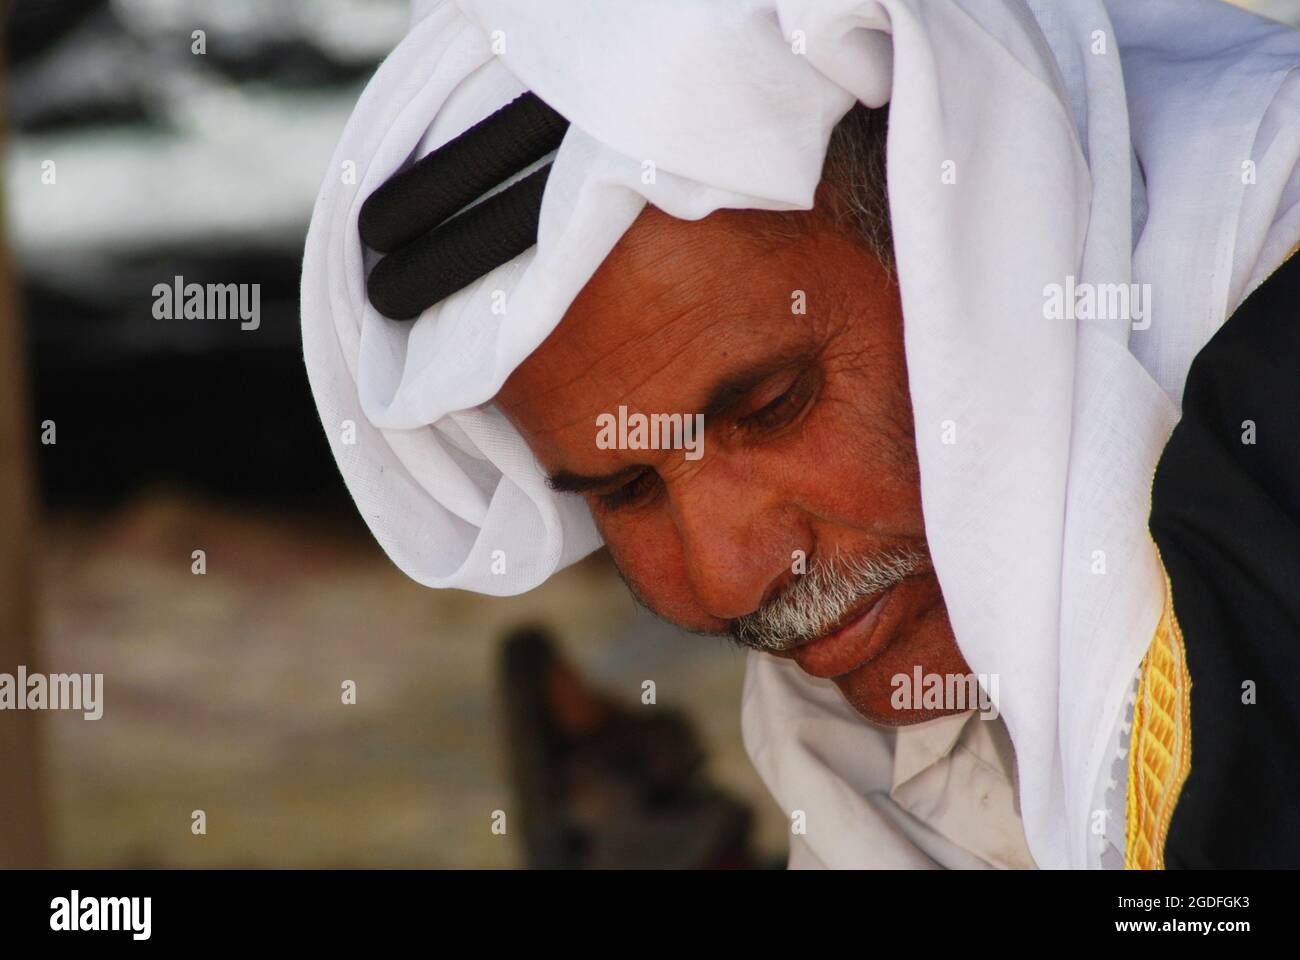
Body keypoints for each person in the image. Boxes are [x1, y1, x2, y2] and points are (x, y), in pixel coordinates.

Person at [302, 0, 1300, 868]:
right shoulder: (859, 698)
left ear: (979, 235)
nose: (729, 576)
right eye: (624, 490)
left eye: (773, 406)